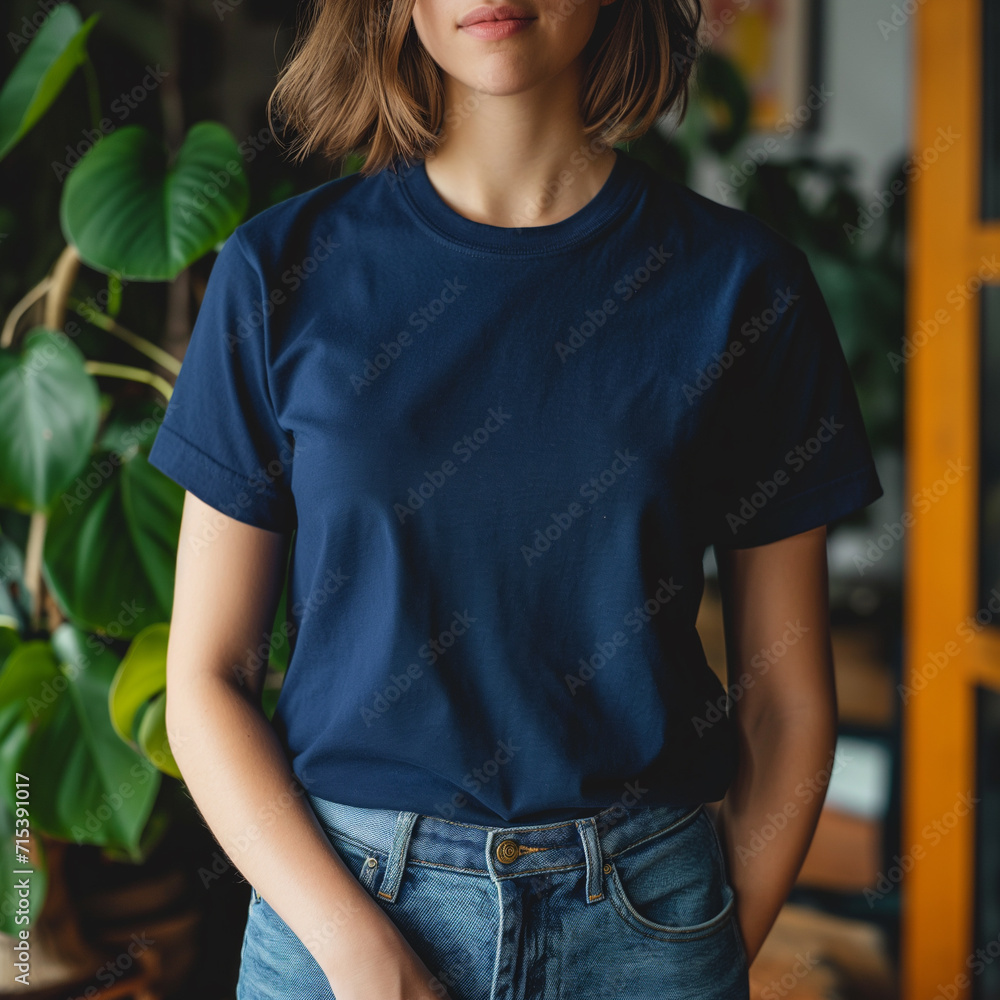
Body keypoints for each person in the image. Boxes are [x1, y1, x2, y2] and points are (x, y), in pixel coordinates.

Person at [147, 0, 885, 997]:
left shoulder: (742, 289)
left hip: (646, 912)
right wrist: (359, 951)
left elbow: (788, 703)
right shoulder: (276, 274)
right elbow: (204, 677)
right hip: (340, 922)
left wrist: (699, 948)